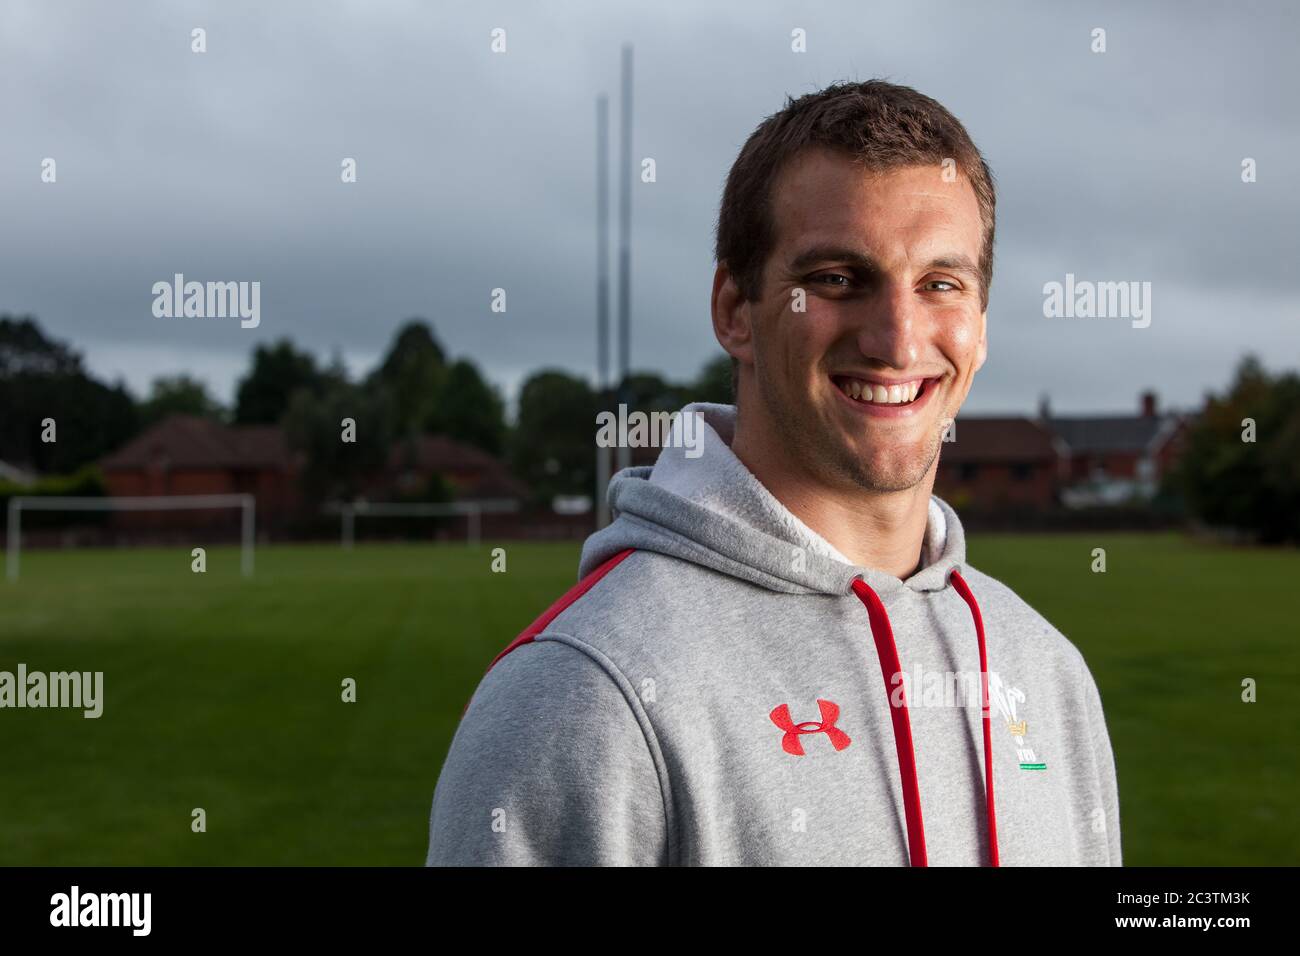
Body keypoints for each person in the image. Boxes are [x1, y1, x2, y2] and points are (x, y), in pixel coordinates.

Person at [426, 79, 1121, 866]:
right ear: (735, 309)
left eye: (940, 284)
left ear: (981, 322)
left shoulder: (1046, 671)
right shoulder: (583, 693)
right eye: (836, 279)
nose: (897, 339)